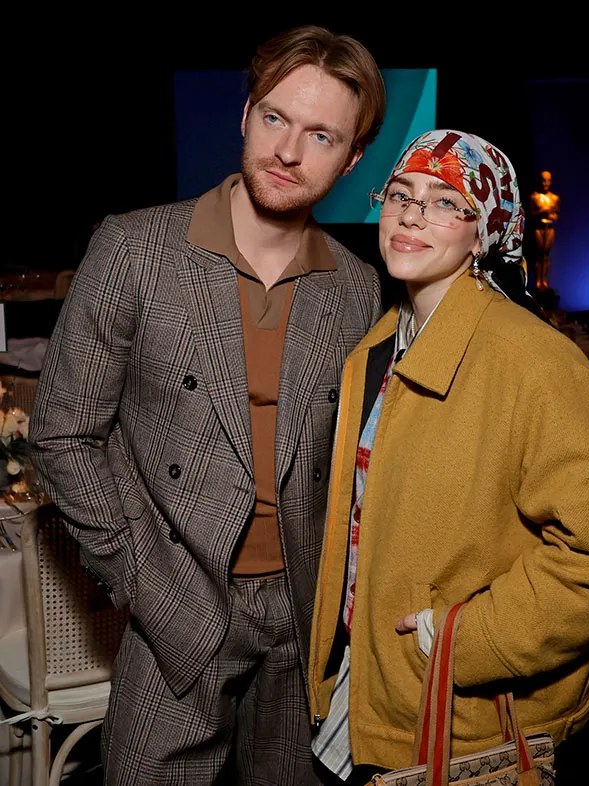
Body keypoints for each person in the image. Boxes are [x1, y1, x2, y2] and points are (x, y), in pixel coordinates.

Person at [28, 24, 385, 786]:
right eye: (276, 118)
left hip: (303, 620)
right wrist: (145, 584)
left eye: (321, 135)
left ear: (353, 160)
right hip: (176, 608)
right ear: (246, 114)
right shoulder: (136, 249)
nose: (289, 151)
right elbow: (62, 435)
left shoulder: (355, 288)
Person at [308, 130, 589, 785]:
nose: (412, 214)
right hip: (368, 686)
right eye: (401, 195)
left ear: (485, 235)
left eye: (446, 202)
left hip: (460, 712)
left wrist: (459, 639)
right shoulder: (377, 347)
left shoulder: (533, 362)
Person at [528, 169, 560, 290]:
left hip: (549, 228)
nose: (545, 183)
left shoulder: (555, 198)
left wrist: (551, 216)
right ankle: (538, 282)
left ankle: (544, 281)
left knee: (546, 255)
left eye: (547, 181)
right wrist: (543, 211)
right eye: (543, 180)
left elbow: (556, 214)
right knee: (538, 256)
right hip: (538, 228)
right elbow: (532, 214)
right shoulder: (534, 197)